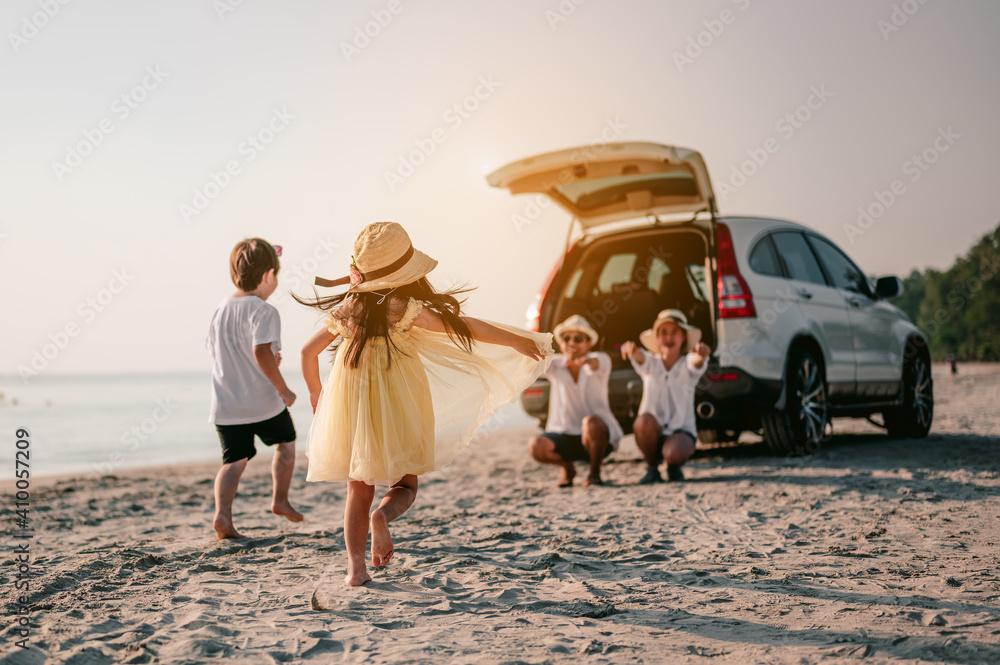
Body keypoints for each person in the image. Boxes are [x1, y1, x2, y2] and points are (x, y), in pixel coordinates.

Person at [298, 222, 552, 587]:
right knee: (404, 485)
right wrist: (514, 340)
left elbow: (307, 352)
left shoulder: (349, 309)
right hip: (398, 401)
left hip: (351, 404)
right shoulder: (404, 308)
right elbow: (462, 326)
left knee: (358, 487)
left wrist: (316, 395)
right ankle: (381, 518)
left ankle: (355, 568)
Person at [206, 238, 302, 540]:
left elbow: (216, 352)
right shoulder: (265, 311)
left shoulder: (220, 310)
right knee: (286, 444)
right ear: (268, 276)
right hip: (262, 401)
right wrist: (284, 389)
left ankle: (223, 515)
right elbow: (261, 352)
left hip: (226, 404)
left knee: (233, 462)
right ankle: (280, 499)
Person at [528, 315, 624, 487]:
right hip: (564, 435)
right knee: (535, 446)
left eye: (578, 338)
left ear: (589, 343)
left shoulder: (601, 359)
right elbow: (530, 362)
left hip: (598, 438)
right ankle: (567, 467)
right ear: (561, 342)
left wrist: (585, 361)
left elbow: (595, 363)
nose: (571, 343)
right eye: (566, 338)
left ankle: (594, 472)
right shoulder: (555, 364)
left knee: (591, 423)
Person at [621, 309, 711, 484]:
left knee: (674, 454)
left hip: (681, 431)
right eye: (663, 332)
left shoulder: (688, 361)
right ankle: (652, 467)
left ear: (683, 336)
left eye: (674, 332)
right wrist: (631, 349)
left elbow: (696, 361)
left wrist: (702, 355)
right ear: (657, 338)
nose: (669, 337)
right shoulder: (650, 362)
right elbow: (639, 357)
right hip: (654, 431)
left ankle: (673, 466)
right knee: (642, 421)